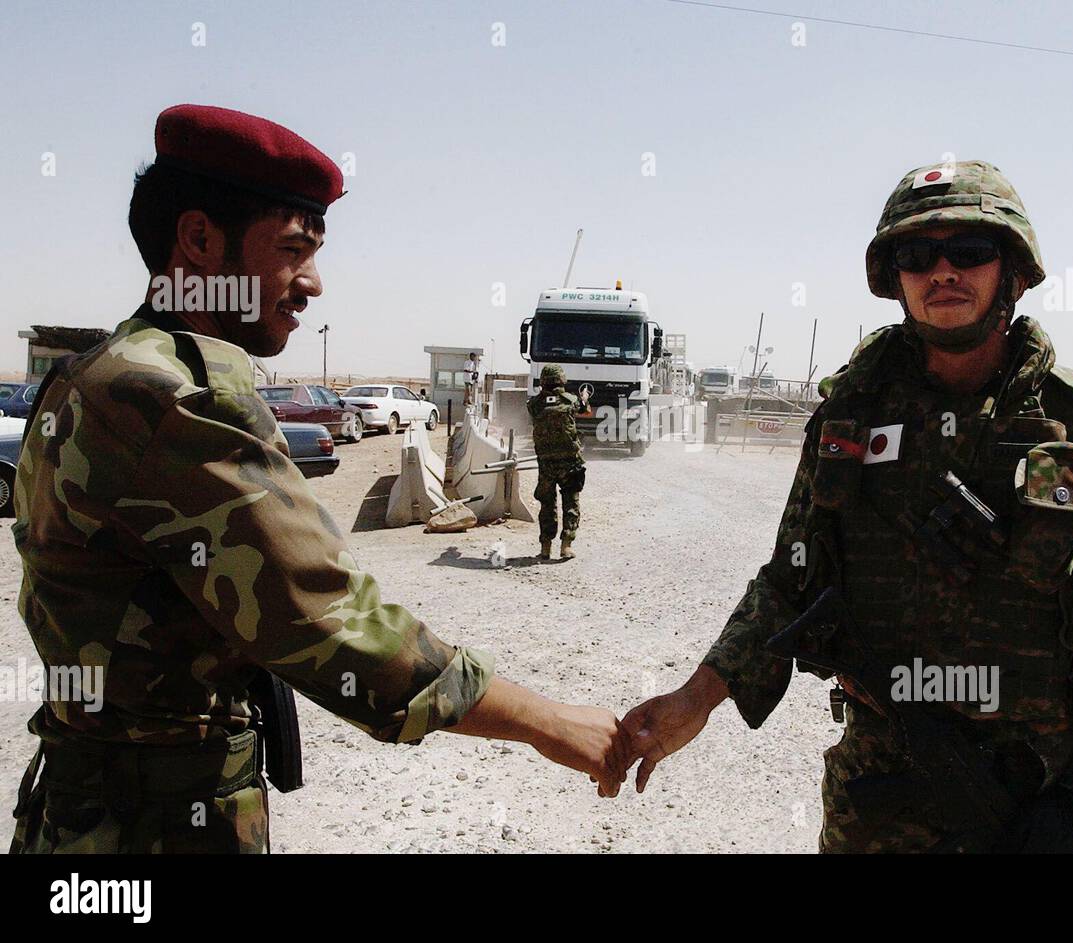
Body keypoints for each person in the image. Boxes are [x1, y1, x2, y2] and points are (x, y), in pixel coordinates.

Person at [9, 104, 626, 854]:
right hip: (153, 824)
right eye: (294, 250)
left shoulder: (90, 373)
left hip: (87, 809)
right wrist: (552, 724)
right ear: (199, 240)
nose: (314, 284)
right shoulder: (176, 397)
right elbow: (331, 622)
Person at [618, 160, 1073, 853]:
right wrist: (694, 699)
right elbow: (787, 581)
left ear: (1012, 271)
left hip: (1033, 795)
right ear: (895, 277)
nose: (943, 271)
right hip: (879, 786)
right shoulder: (851, 415)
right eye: (918, 255)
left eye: (969, 252)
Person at [527, 365, 589, 560]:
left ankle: (545, 548)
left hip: (546, 463)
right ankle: (566, 546)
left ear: (543, 381)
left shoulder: (534, 404)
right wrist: (584, 397)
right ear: (562, 380)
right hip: (569, 463)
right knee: (570, 502)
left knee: (547, 504)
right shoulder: (571, 401)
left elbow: (536, 412)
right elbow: (584, 409)